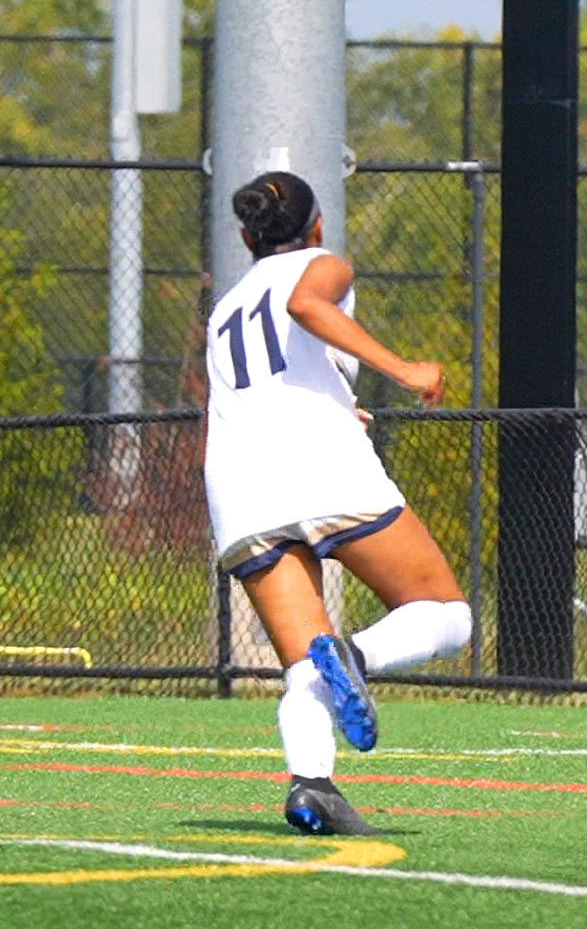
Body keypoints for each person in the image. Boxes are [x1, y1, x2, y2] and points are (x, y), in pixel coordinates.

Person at [205, 170, 473, 834]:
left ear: (246, 235)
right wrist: (406, 369)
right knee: (445, 615)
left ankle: (312, 786)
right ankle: (358, 656)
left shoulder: (228, 305)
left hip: (238, 481)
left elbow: (273, 376)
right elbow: (306, 304)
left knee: (304, 662)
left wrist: (337, 399)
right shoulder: (322, 264)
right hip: (317, 461)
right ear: (317, 225)